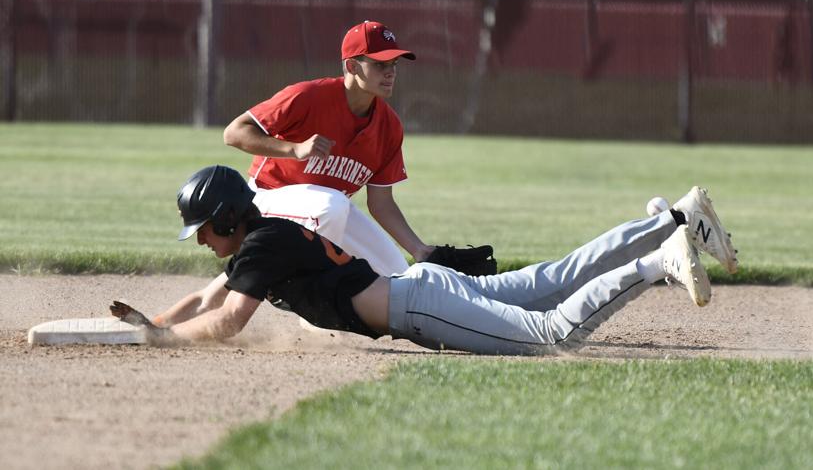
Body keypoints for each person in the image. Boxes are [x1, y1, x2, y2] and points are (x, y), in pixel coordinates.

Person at [112, 165, 739, 355]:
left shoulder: (263, 244)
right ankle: (676, 218)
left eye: (202, 230)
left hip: (418, 305)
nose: (200, 241)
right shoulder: (262, 239)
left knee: (551, 338)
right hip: (419, 285)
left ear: (226, 218)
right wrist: (154, 322)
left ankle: (658, 262)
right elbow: (207, 300)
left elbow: (227, 321)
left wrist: (160, 343)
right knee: (556, 280)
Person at [222, 20, 435, 277]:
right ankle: (306, 297)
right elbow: (234, 133)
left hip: (327, 215)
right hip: (267, 200)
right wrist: (294, 149)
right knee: (331, 205)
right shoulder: (308, 96)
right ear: (352, 66)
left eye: (394, 64)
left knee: (397, 275)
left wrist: (419, 250)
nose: (390, 72)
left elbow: (382, 204)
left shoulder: (389, 126)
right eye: (380, 64)